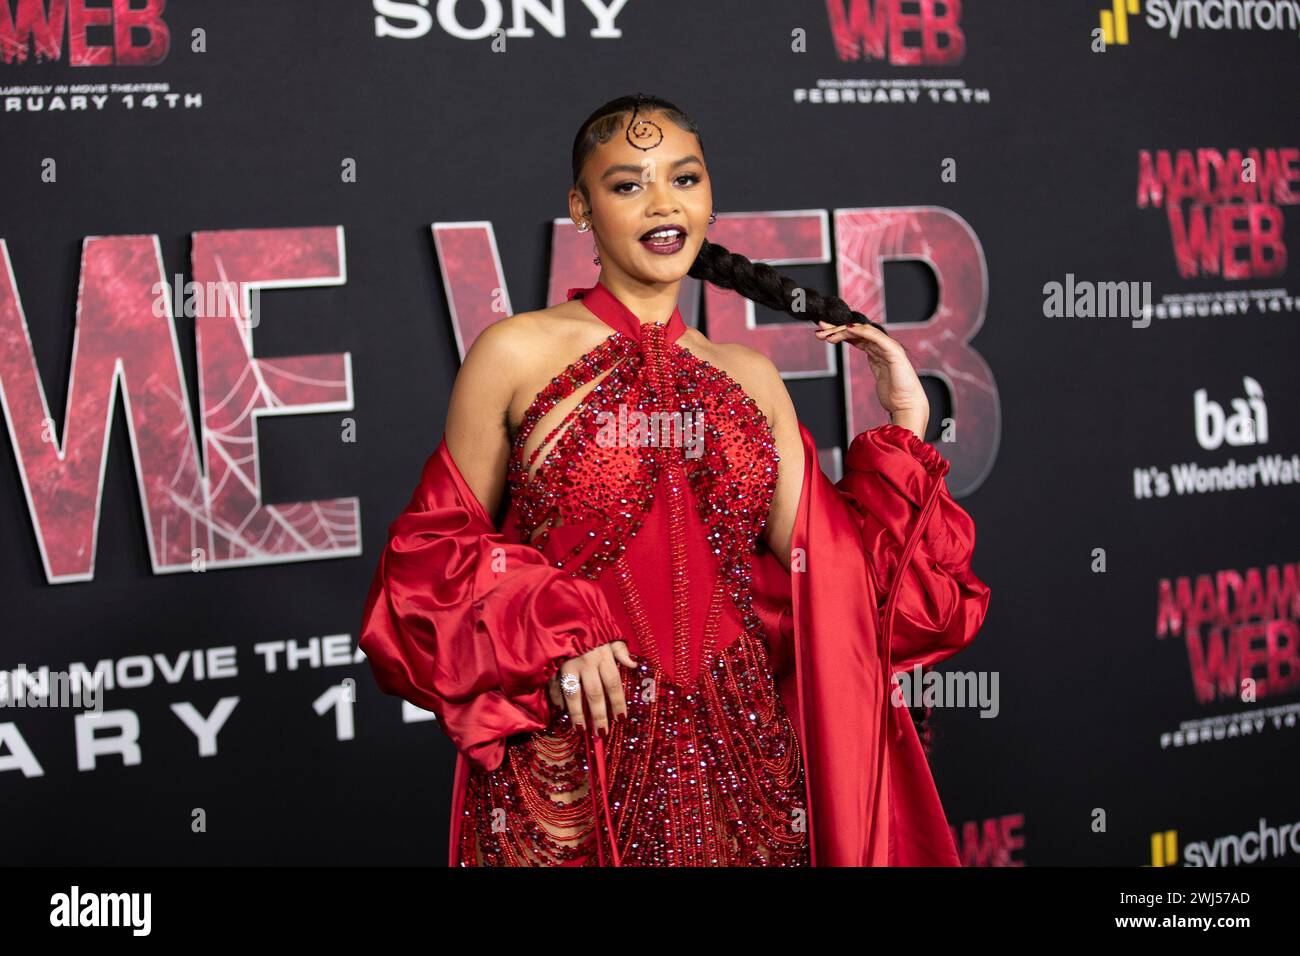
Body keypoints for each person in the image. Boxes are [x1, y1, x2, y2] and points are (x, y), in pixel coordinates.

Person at [358, 93, 991, 866]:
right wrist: (558, 622)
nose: (663, 203)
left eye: (684, 178)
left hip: (748, 778)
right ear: (580, 208)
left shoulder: (752, 377)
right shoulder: (515, 354)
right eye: (627, 185)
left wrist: (903, 427)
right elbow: (431, 559)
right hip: (572, 771)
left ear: (710, 195)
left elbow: (850, 594)